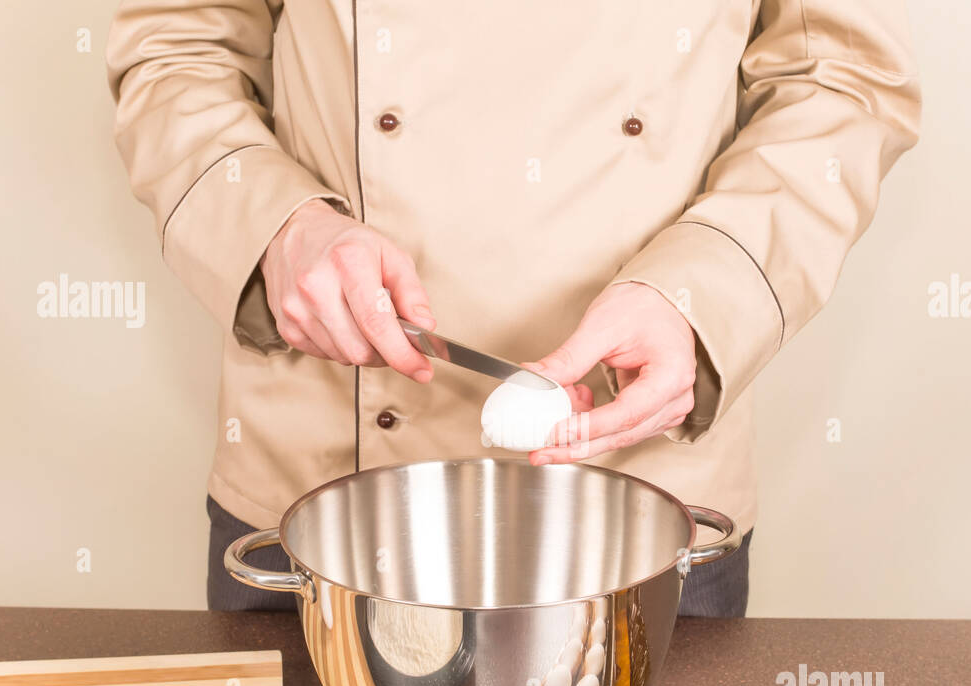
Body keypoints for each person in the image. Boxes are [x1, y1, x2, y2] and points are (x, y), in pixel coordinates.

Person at [106, 1, 920, 617]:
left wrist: (703, 296)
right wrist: (275, 226)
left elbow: (843, 80)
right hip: (322, 497)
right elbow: (179, 44)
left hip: (640, 503)